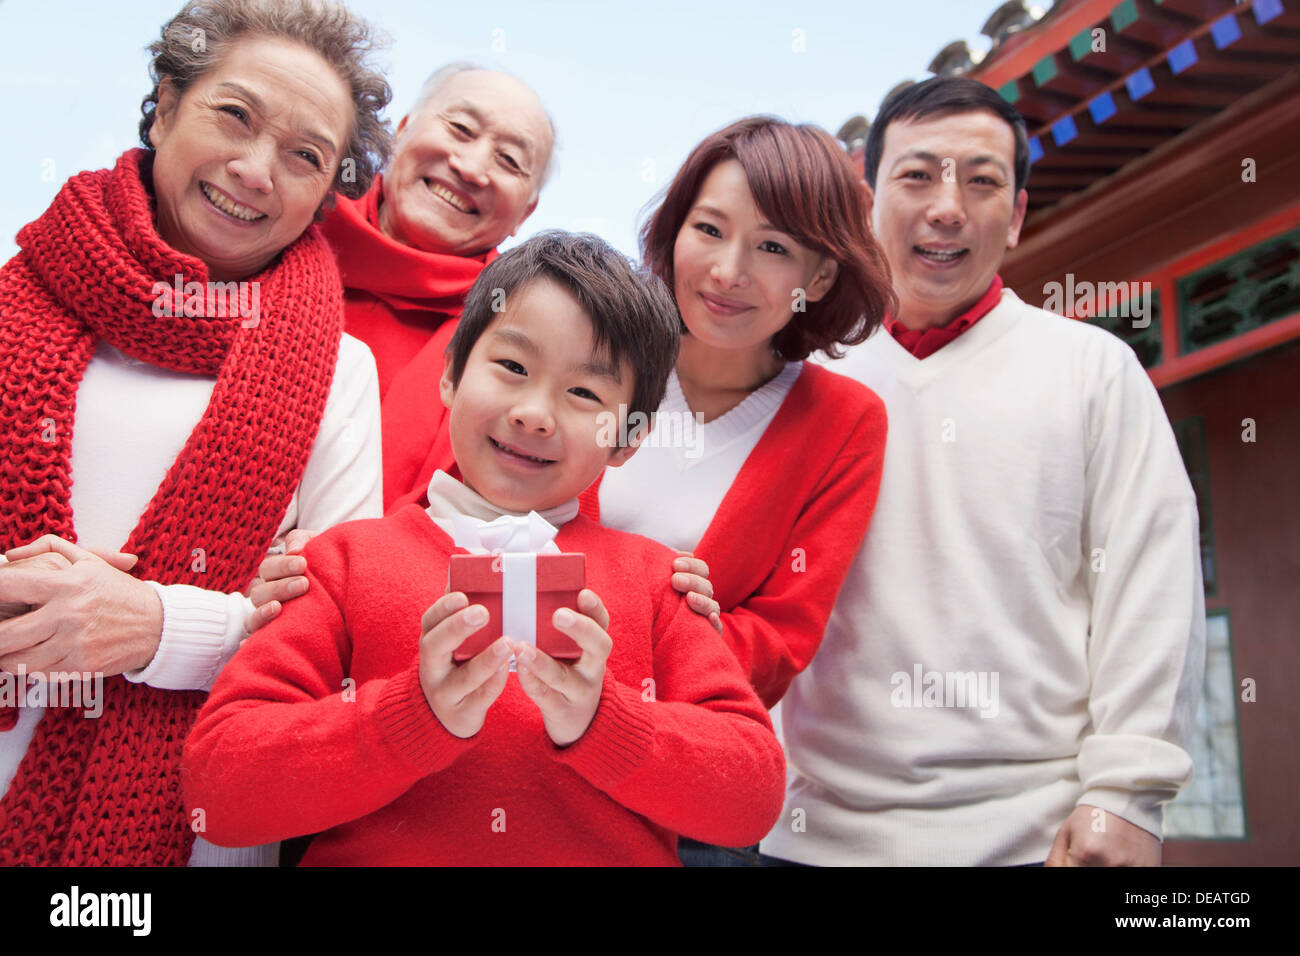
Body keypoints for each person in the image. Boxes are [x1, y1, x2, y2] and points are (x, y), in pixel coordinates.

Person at [247, 118, 896, 869]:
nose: (727, 270)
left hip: (656, 751)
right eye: (708, 229)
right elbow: (463, 515)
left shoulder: (833, 425)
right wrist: (328, 576)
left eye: (774, 247)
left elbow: (782, 642)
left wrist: (659, 629)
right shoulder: (577, 337)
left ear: (817, 278)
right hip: (471, 726)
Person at [181, 232, 786, 865]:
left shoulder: (661, 584)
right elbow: (218, 793)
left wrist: (605, 722)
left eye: (584, 393)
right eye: (513, 368)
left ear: (629, 438)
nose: (534, 413)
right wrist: (408, 718)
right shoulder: (342, 563)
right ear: (451, 375)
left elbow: (752, 797)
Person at [760, 75, 1206, 867]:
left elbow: (1152, 581)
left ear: (1018, 215)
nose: (947, 207)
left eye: (982, 181)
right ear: (869, 200)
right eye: (918, 175)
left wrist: (1128, 795)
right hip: (810, 835)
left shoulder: (1092, 370)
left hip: (1034, 836)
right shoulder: (797, 374)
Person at [0, 0, 391, 866]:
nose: (257, 170)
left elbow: (341, 642)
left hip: (189, 832)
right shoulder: (9, 298)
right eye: (235, 115)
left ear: (329, 192)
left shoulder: (340, 368)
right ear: (167, 102)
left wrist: (156, 625)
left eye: (305, 156)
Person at [316, 62, 556, 512]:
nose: (471, 168)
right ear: (401, 131)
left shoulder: (525, 331)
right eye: (461, 128)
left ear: (525, 214)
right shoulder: (283, 228)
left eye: (508, 161)